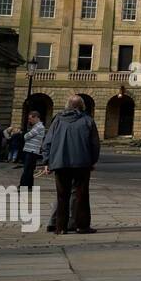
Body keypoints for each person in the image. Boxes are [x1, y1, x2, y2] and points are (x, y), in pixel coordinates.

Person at [41, 94, 100, 234]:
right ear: (82, 106)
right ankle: (82, 226)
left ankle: (60, 227)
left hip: (60, 162)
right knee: (81, 195)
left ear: (67, 105)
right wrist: (92, 161)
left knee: (62, 196)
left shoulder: (57, 120)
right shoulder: (88, 120)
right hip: (82, 163)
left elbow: (47, 142)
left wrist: (47, 161)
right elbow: (95, 144)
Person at [19, 110, 45, 188]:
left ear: (36, 117)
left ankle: (23, 185)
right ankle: (30, 186)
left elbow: (26, 136)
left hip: (31, 151)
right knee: (30, 169)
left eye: (30, 118)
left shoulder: (38, 127)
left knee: (27, 169)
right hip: (32, 150)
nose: (29, 120)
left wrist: (25, 135)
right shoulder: (37, 126)